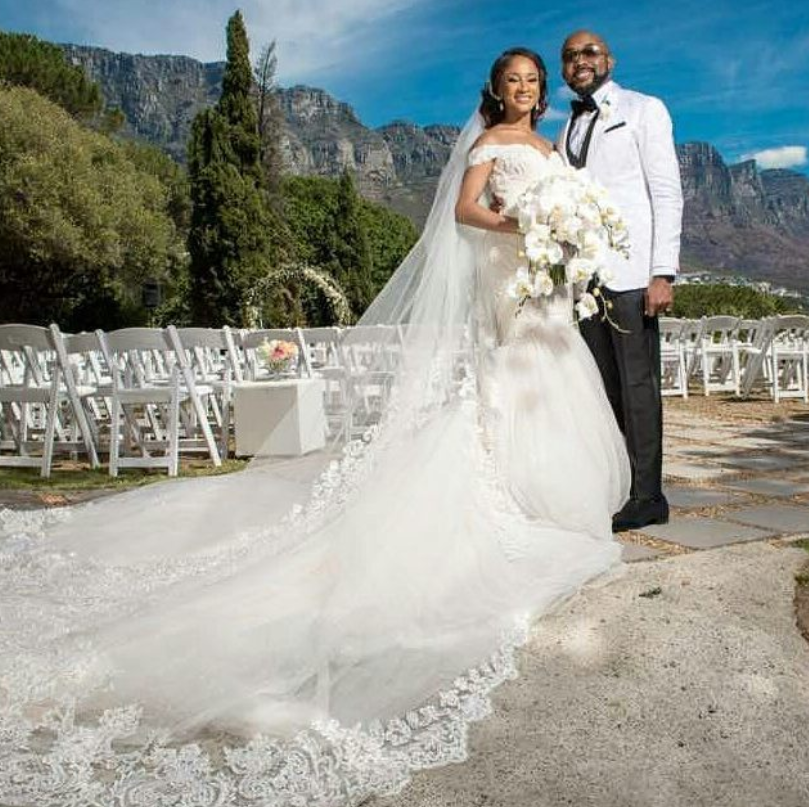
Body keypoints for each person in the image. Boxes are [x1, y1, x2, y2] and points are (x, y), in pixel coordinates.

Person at [0, 48, 629, 806]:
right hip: (508, 271)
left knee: (554, 377)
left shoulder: (551, 146)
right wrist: (518, 221)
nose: (525, 90)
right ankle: (510, 498)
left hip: (546, 280)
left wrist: (563, 236)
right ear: (497, 90)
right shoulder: (491, 145)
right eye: (514, 80)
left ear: (541, 90)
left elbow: (567, 205)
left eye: (534, 81)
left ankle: (548, 498)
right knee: (505, 381)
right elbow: (465, 211)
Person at [557, 29, 684, 532]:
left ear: (609, 58)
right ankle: (618, 485)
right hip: (582, 284)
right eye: (569, 57)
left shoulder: (645, 109)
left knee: (638, 387)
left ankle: (649, 495)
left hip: (633, 277)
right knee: (602, 390)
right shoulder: (563, 130)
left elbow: (666, 193)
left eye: (588, 52)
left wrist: (662, 272)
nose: (579, 62)